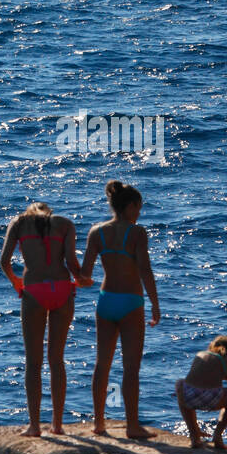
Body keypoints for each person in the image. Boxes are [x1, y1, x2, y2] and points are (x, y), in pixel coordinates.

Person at [0, 201, 91, 437]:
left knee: (33, 362)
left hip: (34, 291)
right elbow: (72, 263)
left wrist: (15, 281)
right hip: (62, 289)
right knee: (57, 360)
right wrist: (81, 278)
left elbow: (4, 261)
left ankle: (34, 426)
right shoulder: (65, 224)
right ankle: (57, 424)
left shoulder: (19, 223)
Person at [80, 180, 160, 439]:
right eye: (138, 207)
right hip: (130, 302)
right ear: (128, 206)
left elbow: (85, 275)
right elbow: (145, 271)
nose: (139, 213)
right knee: (131, 368)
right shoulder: (137, 233)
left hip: (105, 301)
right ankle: (133, 426)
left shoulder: (96, 232)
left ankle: (99, 423)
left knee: (101, 365)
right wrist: (156, 305)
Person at [175, 336, 227, 452]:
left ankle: (194, 436)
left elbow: (198, 380)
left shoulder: (200, 355)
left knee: (181, 384)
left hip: (188, 397)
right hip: (211, 399)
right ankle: (217, 436)